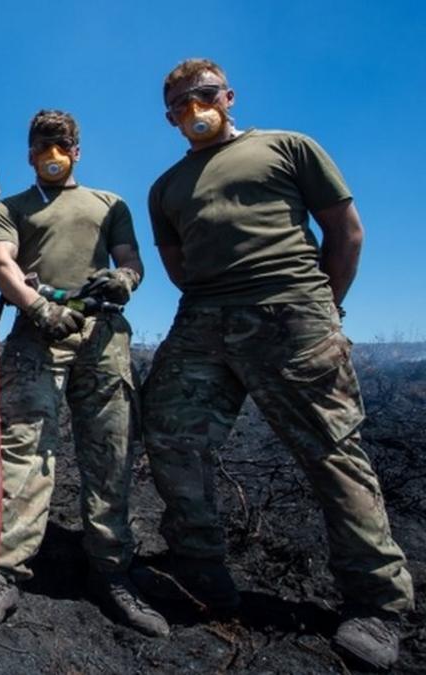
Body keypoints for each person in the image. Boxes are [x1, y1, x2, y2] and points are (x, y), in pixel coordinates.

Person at [137, 58, 414, 670]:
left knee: (331, 450)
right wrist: (213, 298)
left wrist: (323, 307)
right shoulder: (165, 187)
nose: (194, 109)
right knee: (168, 430)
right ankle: (199, 568)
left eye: (204, 94)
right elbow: (177, 263)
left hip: (292, 311)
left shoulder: (288, 147)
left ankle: (377, 604)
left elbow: (346, 230)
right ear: (170, 119)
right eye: (179, 105)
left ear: (229, 96)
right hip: (202, 317)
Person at [0, 110, 168, 637]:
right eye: (42, 146)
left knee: (111, 451)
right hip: (36, 336)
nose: (51, 154)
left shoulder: (109, 204)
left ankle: (112, 571)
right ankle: (1, 571)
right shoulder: (11, 208)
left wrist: (123, 281)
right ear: (29, 154)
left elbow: (131, 261)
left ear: (77, 150)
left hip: (103, 337)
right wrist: (38, 308)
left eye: (61, 144)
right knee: (21, 451)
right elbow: (2, 264)